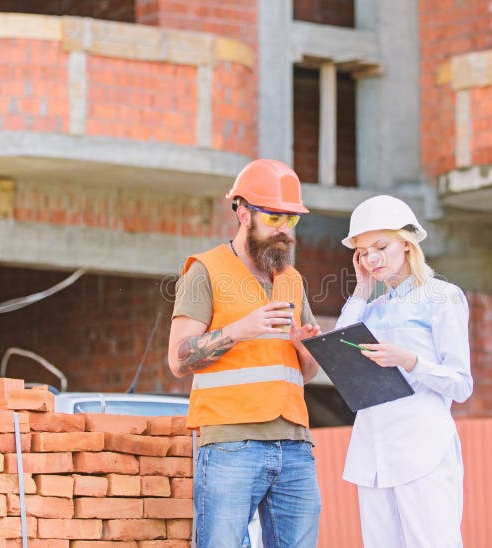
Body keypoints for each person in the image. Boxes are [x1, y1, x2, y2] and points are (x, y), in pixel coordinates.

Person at [168, 159, 322, 548]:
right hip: (231, 445)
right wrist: (240, 330)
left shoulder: (292, 280)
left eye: (292, 220)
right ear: (242, 213)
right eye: (274, 218)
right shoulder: (204, 270)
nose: (284, 230)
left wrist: (305, 348)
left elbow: (305, 374)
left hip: (295, 445)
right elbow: (178, 358)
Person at [335, 195, 473, 548]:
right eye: (363, 252)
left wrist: (410, 361)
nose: (371, 258)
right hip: (374, 452)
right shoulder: (369, 308)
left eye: (380, 246)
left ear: (407, 245)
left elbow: (461, 385)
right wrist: (361, 291)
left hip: (422, 447)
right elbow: (337, 352)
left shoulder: (443, 297)